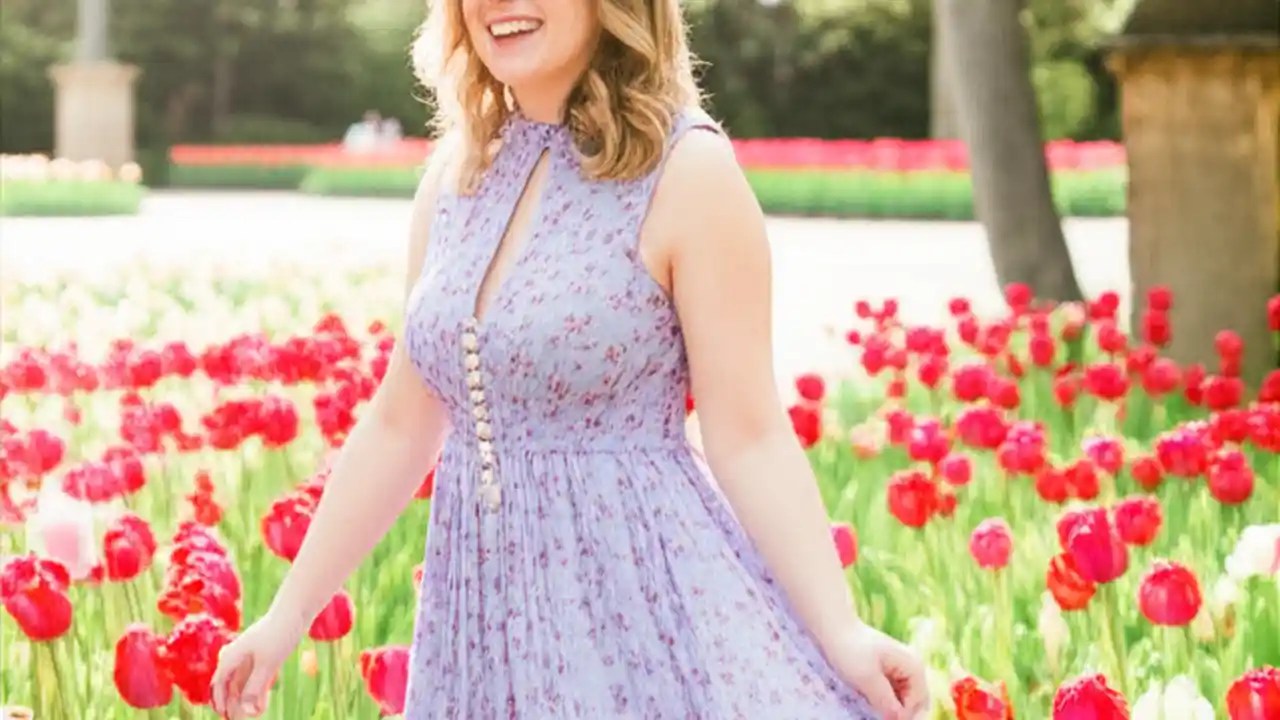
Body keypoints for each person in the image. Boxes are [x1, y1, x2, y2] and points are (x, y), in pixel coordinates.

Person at [210, 0, 930, 714]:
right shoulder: (455, 178)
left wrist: (841, 631)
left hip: (633, 609)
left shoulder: (687, 171)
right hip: (478, 618)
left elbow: (748, 434)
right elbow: (402, 425)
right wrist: (285, 619)